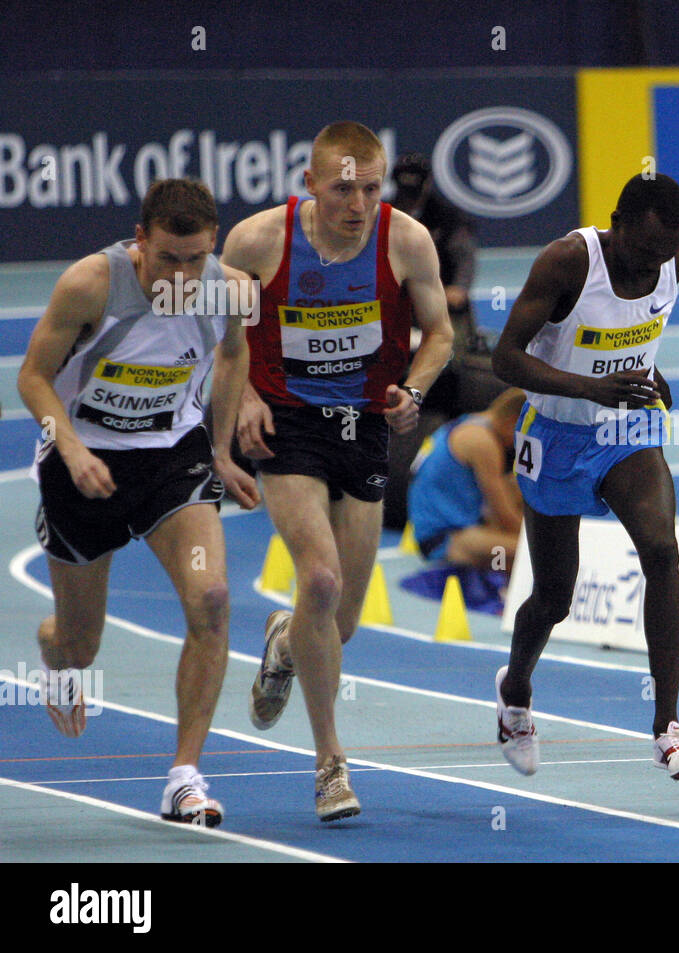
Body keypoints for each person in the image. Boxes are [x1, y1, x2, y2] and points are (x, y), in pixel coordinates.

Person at [221, 121, 454, 821]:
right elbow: (218, 337)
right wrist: (249, 401)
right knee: (318, 577)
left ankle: (284, 638)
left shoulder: (406, 240)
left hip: (366, 425)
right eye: (342, 188)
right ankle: (330, 765)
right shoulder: (256, 242)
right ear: (310, 185)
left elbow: (439, 332)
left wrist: (412, 390)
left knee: (339, 621)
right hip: (288, 423)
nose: (357, 202)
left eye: (370, 187)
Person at [16, 178, 260, 826]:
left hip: (170, 458)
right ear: (141, 241)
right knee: (80, 644)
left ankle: (183, 777)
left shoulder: (229, 288)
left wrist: (222, 449)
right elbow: (32, 378)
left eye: (197, 260)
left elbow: (235, 352)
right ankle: (54, 650)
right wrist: (68, 448)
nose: (183, 275)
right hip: (82, 463)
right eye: (169, 259)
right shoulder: (89, 283)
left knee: (211, 597)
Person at [491, 173, 679, 780]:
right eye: (640, 255)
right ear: (614, 224)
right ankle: (516, 691)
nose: (649, 270)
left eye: (660, 258)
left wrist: (646, 370)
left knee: (662, 550)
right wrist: (593, 386)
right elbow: (506, 358)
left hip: (626, 430)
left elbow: (639, 329)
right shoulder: (567, 262)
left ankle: (667, 727)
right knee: (555, 597)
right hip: (557, 434)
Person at [384, 153, 505, 530]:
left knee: (458, 359)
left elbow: (465, 259)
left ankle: (450, 401)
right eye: (402, 192)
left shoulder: (450, 220)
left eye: (414, 193)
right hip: (400, 307)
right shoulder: (384, 216)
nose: (408, 199)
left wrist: (459, 290)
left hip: (445, 308)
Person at [408, 386, 526, 571]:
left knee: (515, 485)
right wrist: (536, 541)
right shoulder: (482, 442)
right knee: (538, 555)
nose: (518, 445)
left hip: (451, 531)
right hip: (448, 540)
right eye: (523, 436)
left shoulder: (469, 422)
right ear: (513, 422)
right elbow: (503, 513)